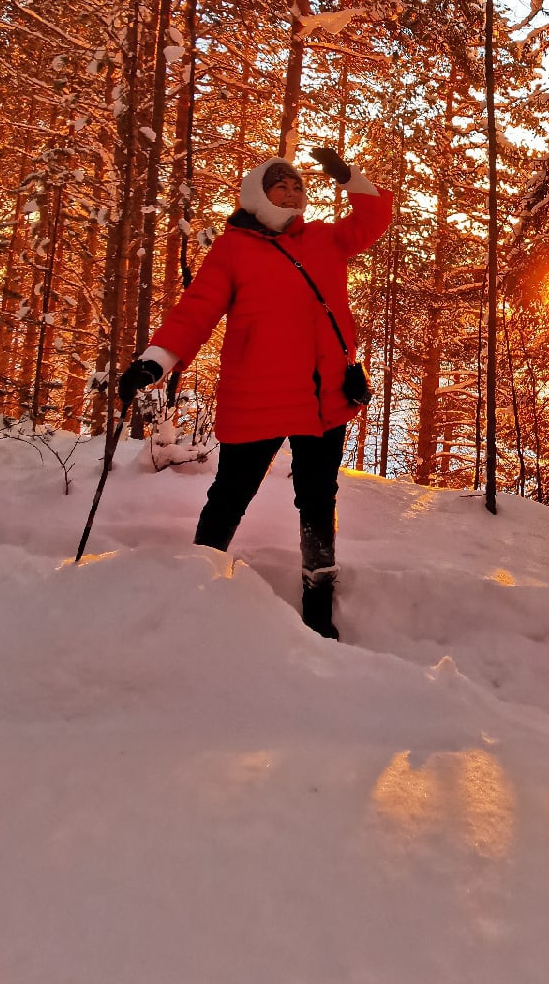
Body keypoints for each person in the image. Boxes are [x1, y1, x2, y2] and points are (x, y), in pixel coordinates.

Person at [116, 147, 393, 638]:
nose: (292, 192)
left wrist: (350, 177)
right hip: (256, 395)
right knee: (231, 492)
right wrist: (156, 360)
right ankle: (196, 576)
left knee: (317, 496)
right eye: (279, 185)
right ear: (256, 195)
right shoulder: (232, 249)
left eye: (297, 186)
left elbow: (373, 219)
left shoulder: (325, 240)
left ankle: (318, 595)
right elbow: (196, 310)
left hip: (323, 397)